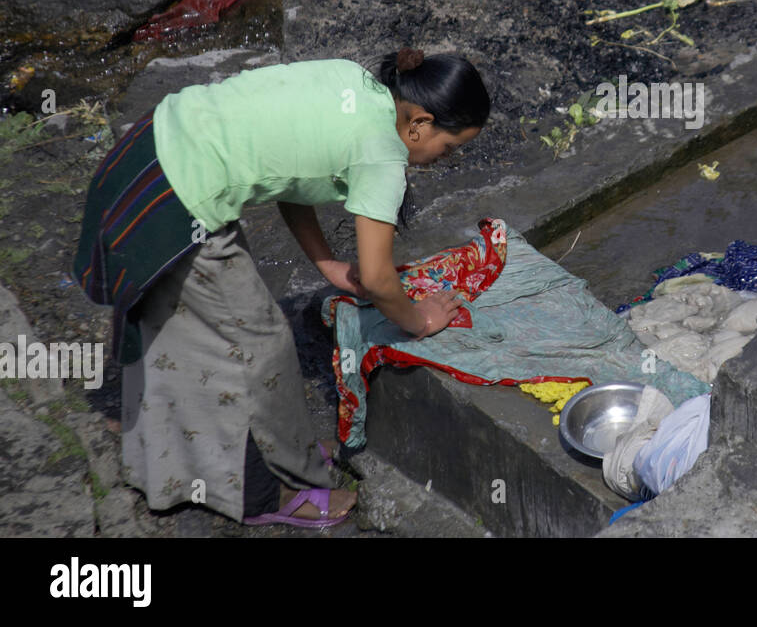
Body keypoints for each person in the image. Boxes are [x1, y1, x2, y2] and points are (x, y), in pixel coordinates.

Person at [74, 47, 489, 527]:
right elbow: (378, 278)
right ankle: (274, 488)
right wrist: (421, 319)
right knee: (260, 345)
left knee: (183, 319)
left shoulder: (352, 81)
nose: (442, 160)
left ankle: (162, 443)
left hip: (150, 149)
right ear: (419, 124)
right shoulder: (382, 152)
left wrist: (328, 264)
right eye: (449, 147)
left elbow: (291, 177)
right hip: (178, 202)